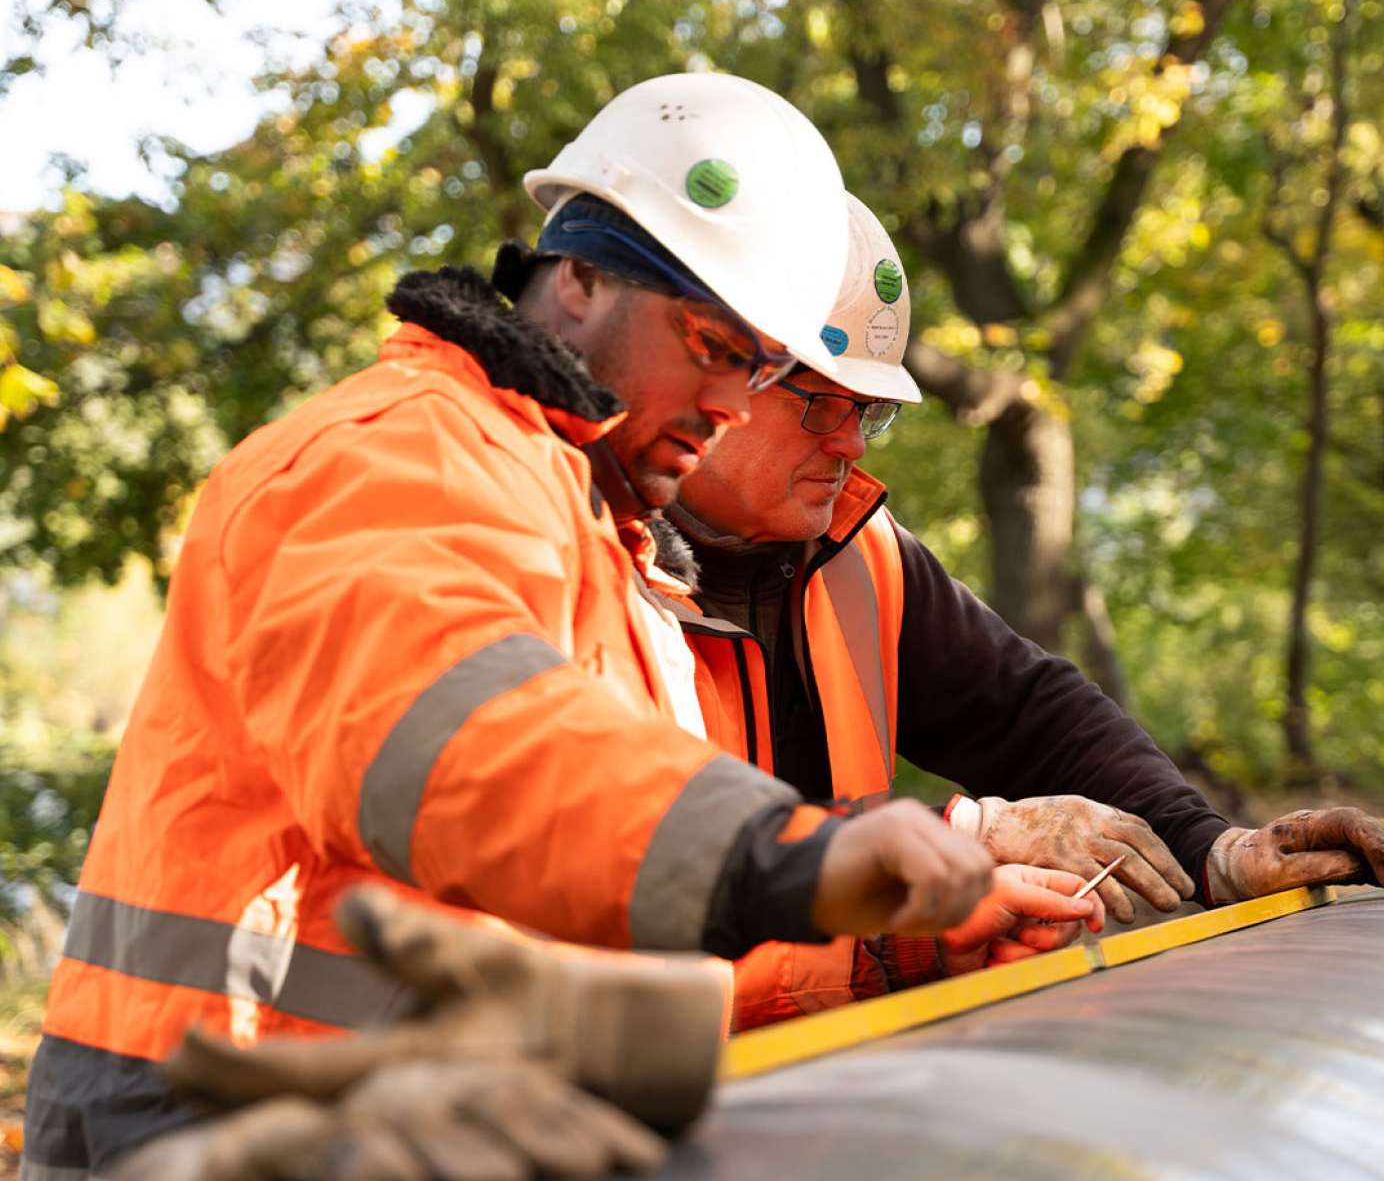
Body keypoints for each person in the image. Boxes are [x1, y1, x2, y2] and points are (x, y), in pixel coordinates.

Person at [22, 73, 1069, 1181]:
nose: (730, 405)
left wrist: (876, 947)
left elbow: (581, 926)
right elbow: (474, 754)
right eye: (716, 346)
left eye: (762, 369)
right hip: (212, 1113)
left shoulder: (592, 535)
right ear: (576, 279)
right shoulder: (391, 457)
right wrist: (789, 853)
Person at [668, 196, 1384, 1028]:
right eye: (821, 403)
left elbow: (1026, 713)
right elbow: (644, 837)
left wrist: (1218, 855)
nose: (851, 444)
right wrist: (969, 835)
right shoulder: (587, 553)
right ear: (714, 364)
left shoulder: (858, 553)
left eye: (867, 410)